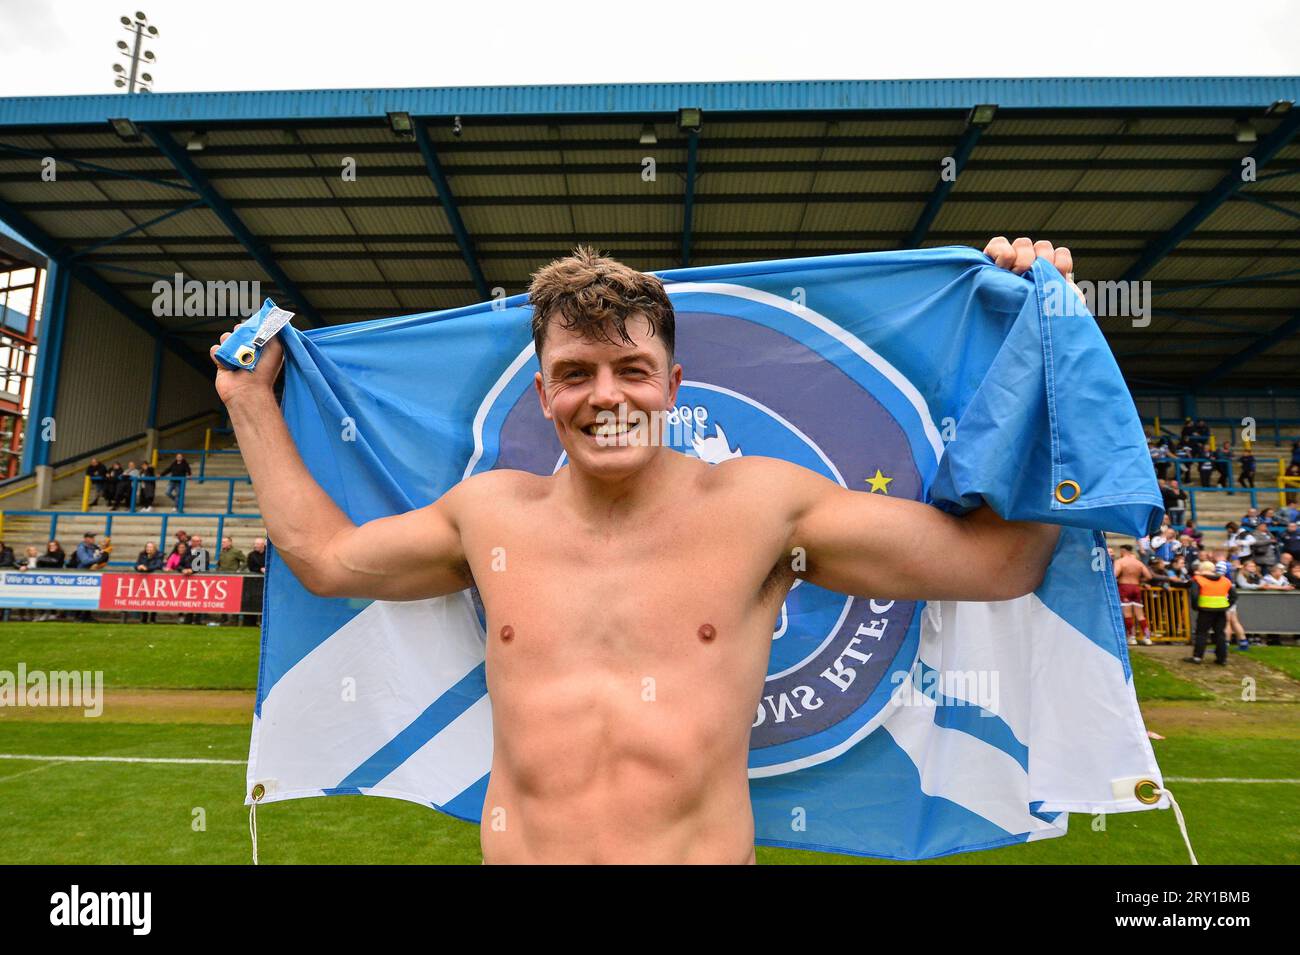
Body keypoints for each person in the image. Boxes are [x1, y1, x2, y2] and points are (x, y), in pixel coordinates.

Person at [212, 236, 1069, 864]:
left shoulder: (762, 506)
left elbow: (999, 561)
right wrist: (249, 401)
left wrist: (1050, 344)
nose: (606, 395)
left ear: (671, 385)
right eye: (577, 372)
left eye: (631, 368)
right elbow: (326, 558)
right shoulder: (489, 517)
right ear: (543, 391)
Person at [1187, 560, 1234, 666]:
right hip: (1221, 610)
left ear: (1201, 570)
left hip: (1205, 610)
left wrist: (1196, 607)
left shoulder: (1198, 580)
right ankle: (1222, 659)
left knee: (1202, 634)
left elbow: (1194, 596)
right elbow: (1234, 595)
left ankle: (1197, 657)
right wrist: (1227, 605)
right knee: (1220, 634)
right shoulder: (1225, 580)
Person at [1112, 545, 1153, 646]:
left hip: (1125, 587)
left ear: (1123, 551)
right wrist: (1140, 580)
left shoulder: (1120, 561)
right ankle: (1147, 637)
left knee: (1127, 614)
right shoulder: (1138, 562)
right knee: (1140, 615)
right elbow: (1149, 576)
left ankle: (1132, 637)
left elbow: (1114, 574)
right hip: (1136, 587)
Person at [135, 540, 164, 623]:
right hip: (144, 580)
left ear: (154, 548)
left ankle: (153, 618)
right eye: (147, 547)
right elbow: (136, 564)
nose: (149, 549)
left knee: (154, 599)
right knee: (144, 598)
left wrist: (147, 568)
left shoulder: (159, 555)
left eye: (151, 547)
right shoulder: (142, 555)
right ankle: (144, 618)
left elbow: (158, 565)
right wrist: (139, 567)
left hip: (155, 580)